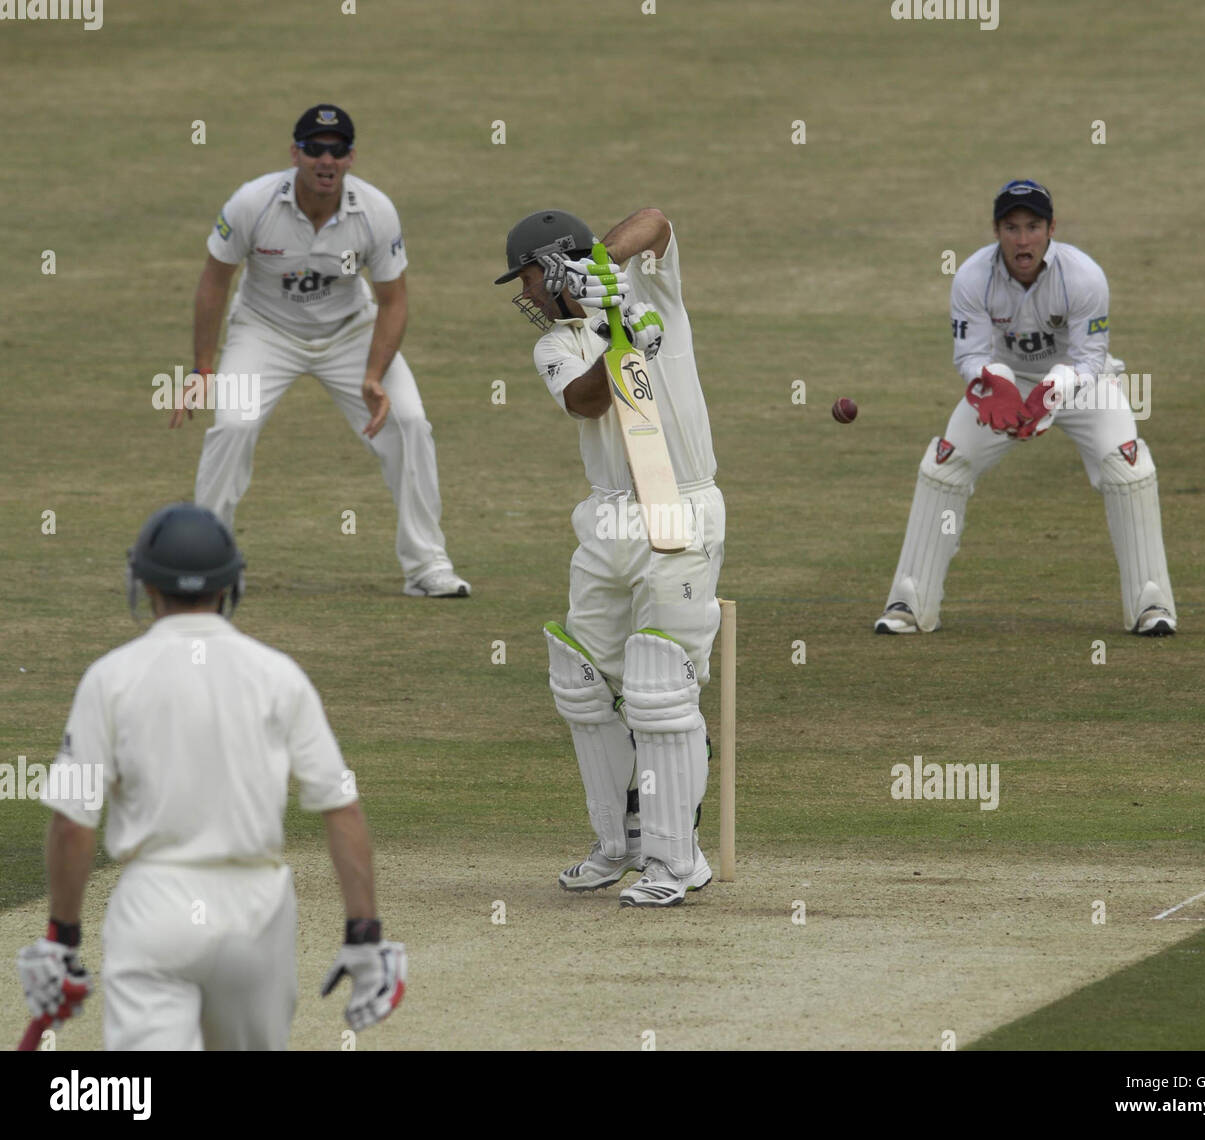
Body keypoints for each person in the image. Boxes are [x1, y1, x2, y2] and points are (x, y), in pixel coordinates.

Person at [16, 503, 406, 1049]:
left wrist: (61, 937)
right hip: (258, 915)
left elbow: (72, 822)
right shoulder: (278, 674)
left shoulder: (110, 678)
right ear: (231, 586)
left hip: (154, 911)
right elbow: (342, 808)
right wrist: (364, 935)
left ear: (144, 585)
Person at [495, 208, 725, 907]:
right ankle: (615, 846)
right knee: (581, 681)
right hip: (607, 514)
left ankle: (675, 862)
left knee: (660, 687)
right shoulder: (557, 345)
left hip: (679, 505)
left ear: (554, 262)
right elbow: (585, 401)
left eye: (531, 276)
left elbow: (655, 221)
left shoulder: (647, 288)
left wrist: (599, 271)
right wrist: (620, 338)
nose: (529, 294)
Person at [171, 103, 469, 598]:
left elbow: (394, 301)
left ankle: (426, 566)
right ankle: (213, 564)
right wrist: (204, 368)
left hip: (352, 331)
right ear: (295, 153)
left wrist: (374, 375)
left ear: (351, 158)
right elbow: (213, 280)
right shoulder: (252, 203)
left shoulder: (376, 211)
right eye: (314, 149)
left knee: (410, 423)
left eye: (337, 151)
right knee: (233, 425)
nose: (325, 161)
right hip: (263, 330)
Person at [874, 179, 1176, 636]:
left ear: (1051, 228)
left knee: (1128, 468)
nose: (1022, 239)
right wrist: (996, 384)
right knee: (945, 465)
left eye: (1032, 226)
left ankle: (1152, 606)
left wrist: (1053, 390)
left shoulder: (1084, 276)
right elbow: (969, 355)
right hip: (1004, 386)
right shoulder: (972, 277)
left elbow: (1092, 359)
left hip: (1078, 382)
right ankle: (909, 603)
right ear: (996, 230)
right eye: (1011, 227)